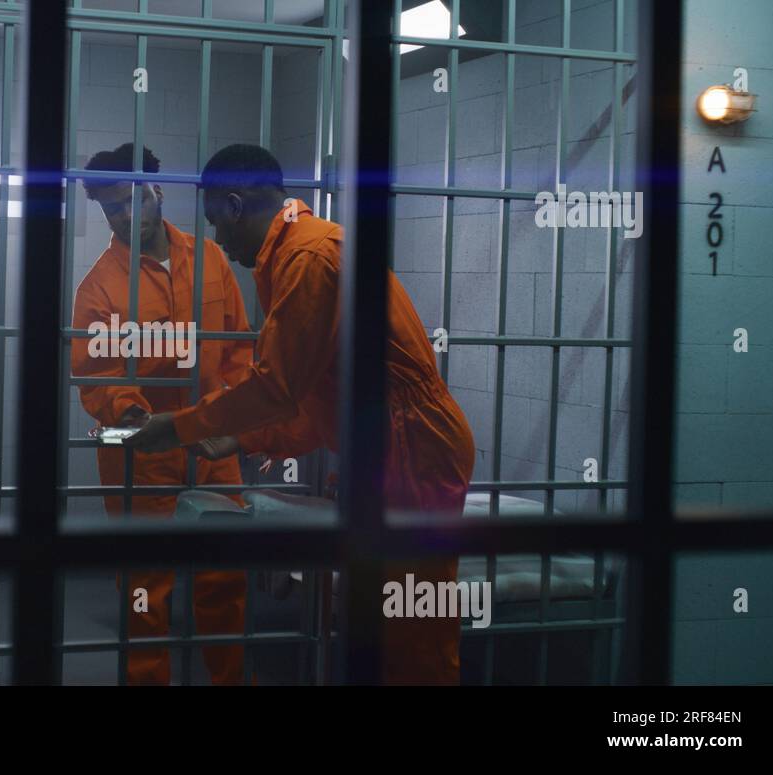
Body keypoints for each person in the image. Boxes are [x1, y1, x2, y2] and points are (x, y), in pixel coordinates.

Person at [124, 143, 476, 685]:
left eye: (218, 221)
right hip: (393, 442)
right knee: (384, 620)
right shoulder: (298, 254)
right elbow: (319, 402)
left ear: (236, 205)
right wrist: (242, 442)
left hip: (412, 448)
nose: (217, 237)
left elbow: (277, 387)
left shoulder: (306, 258)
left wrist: (180, 425)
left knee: (413, 629)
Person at [71, 143, 254, 685]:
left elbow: (240, 349)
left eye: (131, 200)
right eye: (111, 209)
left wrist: (236, 421)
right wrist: (136, 416)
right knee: (146, 592)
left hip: (212, 443)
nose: (125, 216)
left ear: (156, 190)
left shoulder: (213, 259)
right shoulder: (97, 289)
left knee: (223, 580)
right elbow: (97, 379)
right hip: (143, 452)